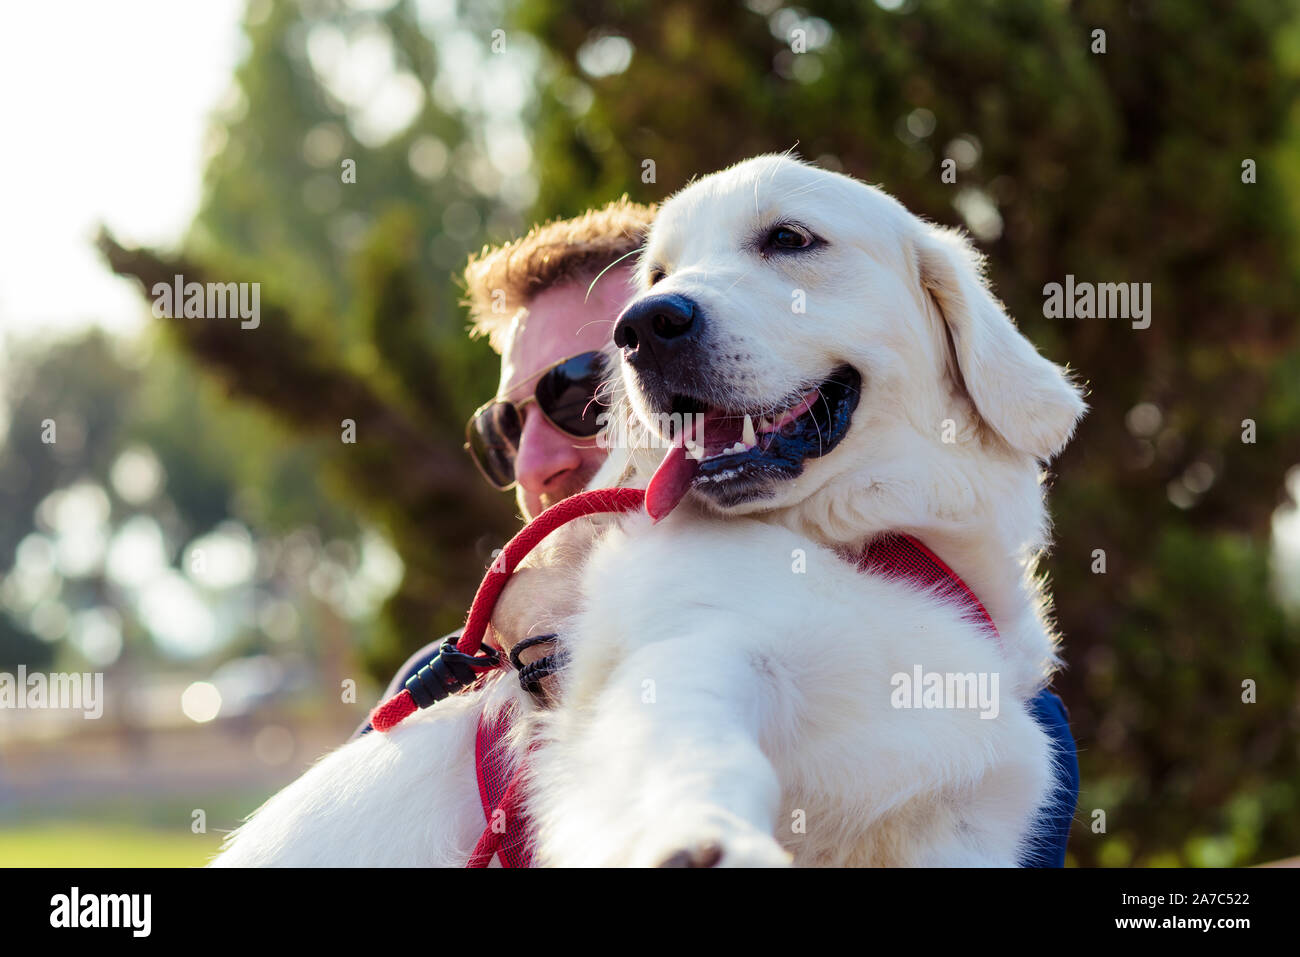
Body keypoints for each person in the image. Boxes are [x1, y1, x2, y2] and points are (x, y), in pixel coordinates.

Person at [352, 198, 1080, 867]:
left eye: (579, 390)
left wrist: (555, 639)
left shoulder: (994, 705)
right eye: (504, 426)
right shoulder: (438, 679)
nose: (534, 462)